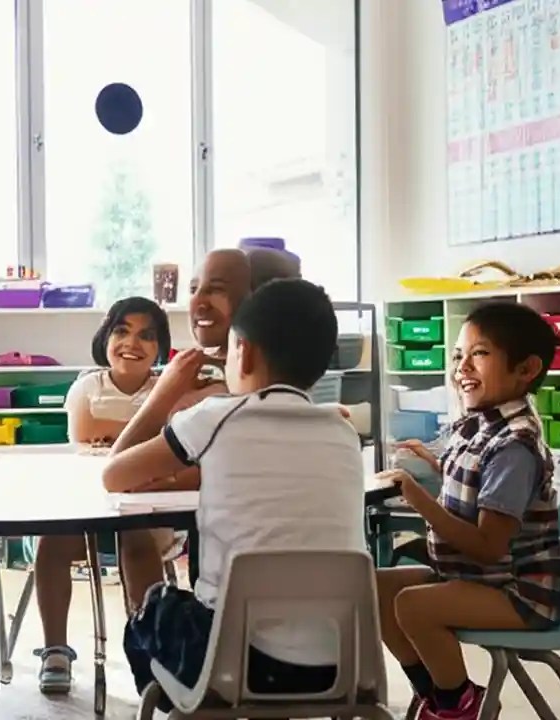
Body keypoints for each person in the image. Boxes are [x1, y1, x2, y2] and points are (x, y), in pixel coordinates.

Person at [104, 279, 365, 705]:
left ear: (242, 352)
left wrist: (167, 388)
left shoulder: (216, 417)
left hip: (230, 665)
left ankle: (186, 711)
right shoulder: (342, 431)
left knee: (152, 613)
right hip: (339, 664)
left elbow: (115, 473)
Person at [375, 302, 560, 720]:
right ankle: (436, 694)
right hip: (479, 578)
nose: (462, 366)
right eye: (458, 355)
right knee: (376, 589)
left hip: (520, 593)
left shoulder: (515, 445)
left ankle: (458, 704)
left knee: (412, 605)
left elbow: (486, 544)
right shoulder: (483, 424)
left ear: (526, 369)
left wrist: (417, 497)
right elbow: (475, 481)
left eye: (479, 354)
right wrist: (432, 462)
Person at [32, 296, 174, 693]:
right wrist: (141, 438)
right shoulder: (87, 385)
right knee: (51, 541)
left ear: (161, 345)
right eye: (122, 331)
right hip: (87, 506)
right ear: (106, 337)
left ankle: (150, 652)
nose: (133, 343)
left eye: (147, 335)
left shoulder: (167, 388)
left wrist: (115, 437)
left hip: (147, 508)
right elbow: (84, 430)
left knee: (137, 540)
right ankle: (55, 650)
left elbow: (168, 438)